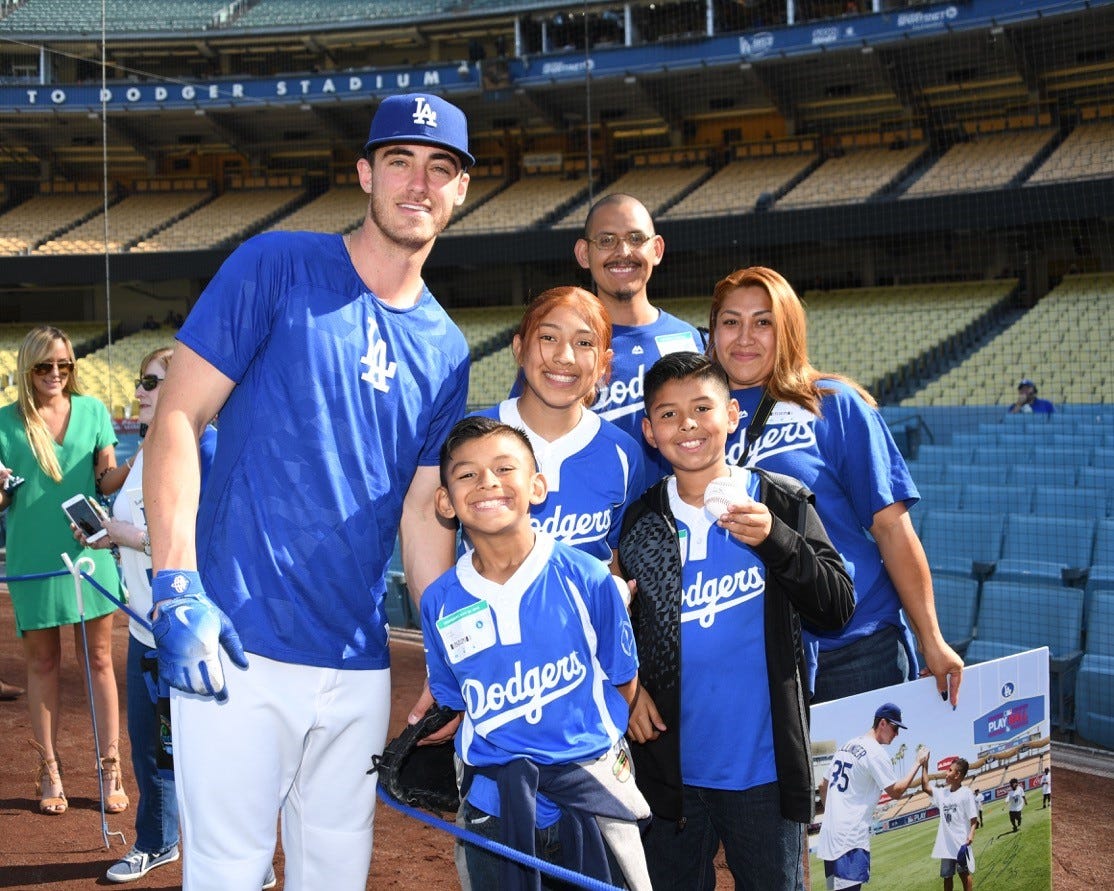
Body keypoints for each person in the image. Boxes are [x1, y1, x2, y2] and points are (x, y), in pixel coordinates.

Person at [141, 92, 472, 891]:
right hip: (237, 640)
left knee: (335, 873)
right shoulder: (274, 265)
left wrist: (445, 645)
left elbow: (422, 521)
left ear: (460, 191)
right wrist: (176, 580)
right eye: (400, 162)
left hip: (358, 659)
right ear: (365, 172)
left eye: (441, 169)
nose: (419, 183)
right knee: (227, 872)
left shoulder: (449, 347)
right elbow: (177, 416)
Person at [617, 352, 855, 891]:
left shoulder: (781, 502)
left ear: (732, 414)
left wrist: (777, 540)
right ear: (650, 433)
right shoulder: (640, 520)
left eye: (702, 408)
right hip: (668, 770)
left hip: (762, 772)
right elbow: (616, 626)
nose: (689, 425)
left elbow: (836, 605)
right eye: (669, 415)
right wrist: (628, 691)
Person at [706, 266, 963, 704]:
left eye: (763, 322)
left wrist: (931, 638)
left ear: (786, 329)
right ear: (712, 333)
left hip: (854, 649)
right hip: (754, 662)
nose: (745, 336)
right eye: (731, 321)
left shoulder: (832, 404)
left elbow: (891, 529)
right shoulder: (695, 418)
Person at [423, 416, 651, 891]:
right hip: (494, 803)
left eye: (505, 469)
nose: (488, 482)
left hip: (591, 793)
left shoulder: (587, 577)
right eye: (467, 474)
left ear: (537, 486)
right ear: (445, 500)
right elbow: (455, 699)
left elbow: (623, 680)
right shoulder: (439, 600)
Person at [72, 348, 219, 883]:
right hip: (145, 626)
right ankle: (159, 841)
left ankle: (231, 854)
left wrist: (121, 536)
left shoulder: (206, 448)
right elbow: (144, 533)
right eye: (141, 382)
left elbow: (199, 544)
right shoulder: (145, 453)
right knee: (154, 746)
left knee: (208, 748)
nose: (139, 393)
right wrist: (110, 537)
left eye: (152, 383)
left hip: (193, 632)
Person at [0, 325, 130, 817]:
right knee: (43, 665)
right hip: (33, 557)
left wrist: (139, 463)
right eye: (44, 367)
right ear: (26, 370)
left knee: (99, 662)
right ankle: (50, 769)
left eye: (64, 365)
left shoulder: (96, 411)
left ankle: (110, 768)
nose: (55, 374)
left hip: (89, 550)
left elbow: (104, 477)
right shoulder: (3, 423)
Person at [476, 285, 645, 568]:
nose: (564, 356)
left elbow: (615, 560)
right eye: (548, 337)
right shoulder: (473, 437)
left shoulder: (623, 452)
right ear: (519, 349)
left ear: (604, 363)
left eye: (584, 343)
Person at [572, 193, 705, 482]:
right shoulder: (562, 347)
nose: (623, 251)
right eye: (606, 240)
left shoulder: (690, 340)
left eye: (636, 238)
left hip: (674, 520)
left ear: (656, 249)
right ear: (584, 254)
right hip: (592, 523)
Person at [816, 704, 930, 890]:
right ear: (882, 723)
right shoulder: (875, 752)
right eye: (895, 728)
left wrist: (833, 812)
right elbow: (896, 791)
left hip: (830, 838)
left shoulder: (847, 745)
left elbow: (823, 786)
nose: (896, 734)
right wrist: (917, 763)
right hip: (849, 841)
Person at [921, 756, 978, 891]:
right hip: (946, 845)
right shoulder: (942, 793)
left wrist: (971, 835)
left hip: (960, 844)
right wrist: (925, 764)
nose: (946, 773)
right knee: (947, 877)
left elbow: (974, 819)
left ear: (957, 775)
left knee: (964, 875)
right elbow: (925, 787)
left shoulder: (966, 793)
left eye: (950, 770)